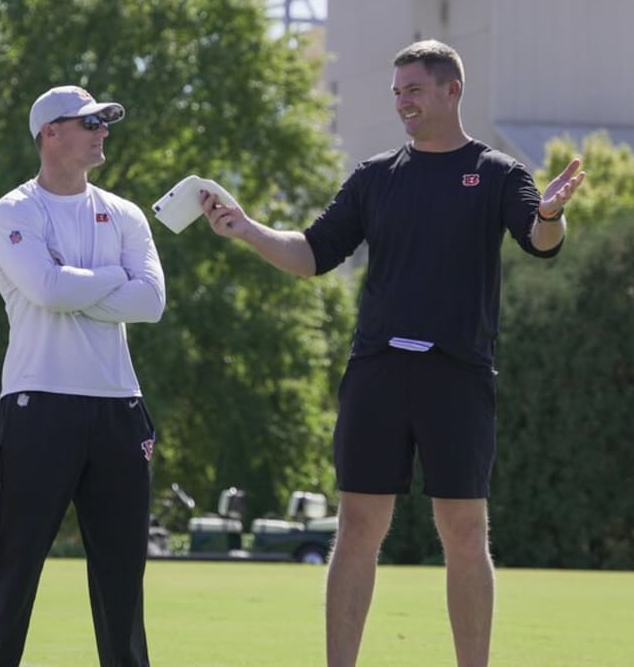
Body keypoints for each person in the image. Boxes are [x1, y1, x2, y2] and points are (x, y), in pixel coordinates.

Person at [201, 40, 585, 667]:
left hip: (458, 375)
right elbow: (313, 254)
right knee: (356, 528)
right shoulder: (374, 176)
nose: (402, 101)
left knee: (464, 533)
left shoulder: (496, 172)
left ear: (451, 90)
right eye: (397, 91)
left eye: (414, 89)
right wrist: (247, 229)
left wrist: (550, 214)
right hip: (377, 370)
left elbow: (541, 240)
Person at [0, 85, 166, 667]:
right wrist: (107, 280)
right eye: (89, 122)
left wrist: (76, 283)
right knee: (11, 566)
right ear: (50, 132)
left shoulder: (124, 212)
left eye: (104, 121)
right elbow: (45, 290)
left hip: (119, 408)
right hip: (38, 405)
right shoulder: (14, 210)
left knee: (123, 575)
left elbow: (150, 301)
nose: (103, 130)